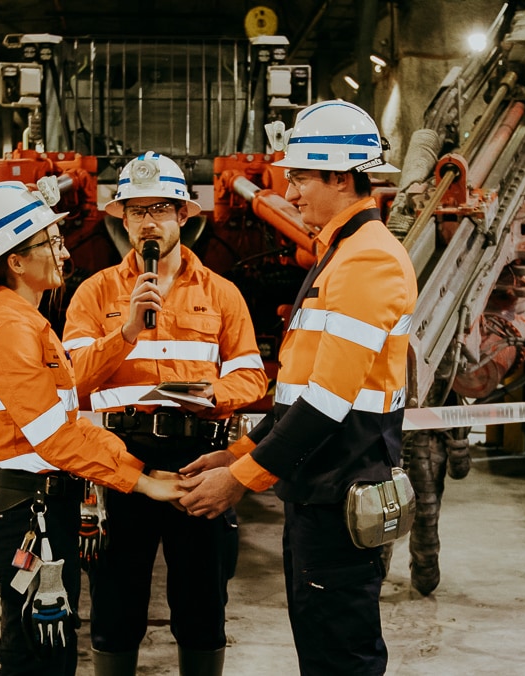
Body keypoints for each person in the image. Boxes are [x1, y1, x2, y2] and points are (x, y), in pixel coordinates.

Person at [178, 100, 417, 675]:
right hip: (320, 489)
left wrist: (238, 481)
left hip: (340, 491)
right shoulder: (340, 253)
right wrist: (237, 450)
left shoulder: (368, 261)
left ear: (341, 176)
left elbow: (327, 405)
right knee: (321, 647)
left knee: (340, 657)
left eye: (302, 176)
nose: (291, 189)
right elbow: (297, 394)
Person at [0, 180, 188, 676]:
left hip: (38, 511)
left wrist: (125, 335)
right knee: (39, 661)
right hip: (28, 518)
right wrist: (140, 480)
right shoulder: (11, 330)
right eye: (50, 242)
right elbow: (55, 435)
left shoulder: (28, 323)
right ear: (15, 262)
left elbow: (66, 393)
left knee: (40, 653)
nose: (63, 251)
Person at [64, 153, 269, 676]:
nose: (147, 221)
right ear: (123, 219)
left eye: (159, 208)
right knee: (114, 603)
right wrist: (126, 331)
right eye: (135, 210)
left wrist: (210, 395)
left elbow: (252, 379)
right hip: (120, 460)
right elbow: (72, 381)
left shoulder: (222, 295)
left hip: (198, 462)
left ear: (184, 214)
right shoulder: (95, 292)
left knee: (202, 603)